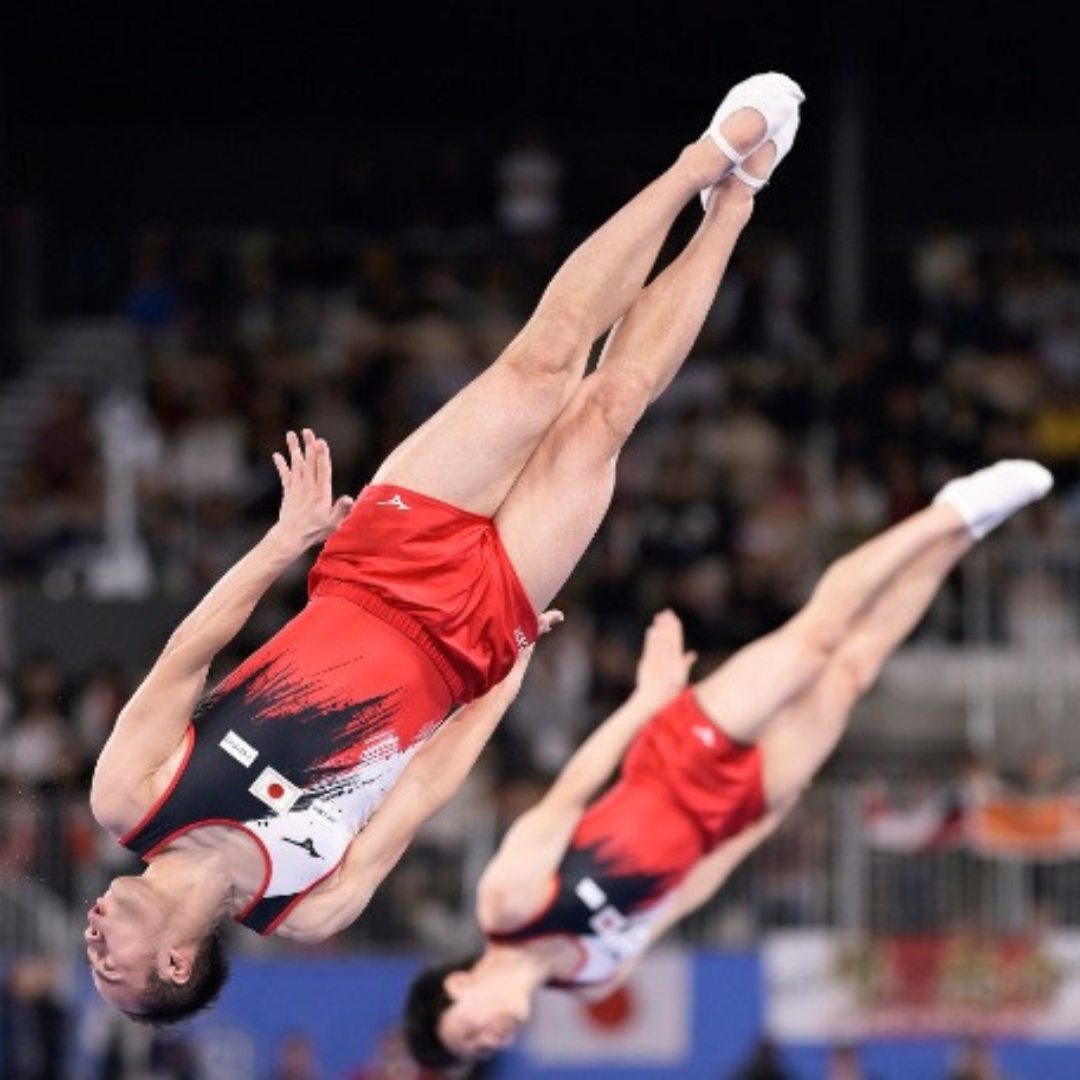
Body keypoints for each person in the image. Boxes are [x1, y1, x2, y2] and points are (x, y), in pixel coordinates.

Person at [85, 71, 806, 1024]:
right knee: (606, 414)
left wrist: (285, 544)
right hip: (469, 642)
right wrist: (504, 675)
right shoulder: (310, 906)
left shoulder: (129, 797)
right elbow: (422, 787)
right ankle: (738, 201)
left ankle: (701, 160)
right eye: (112, 969)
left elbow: (189, 651)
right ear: (178, 965)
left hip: (372, 569)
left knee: (544, 366)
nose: (91, 940)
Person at [402, 460, 1053, 1067]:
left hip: (677, 758)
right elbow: (684, 894)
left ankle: (949, 512)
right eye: (481, 1050)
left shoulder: (507, 903)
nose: (492, 1038)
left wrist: (648, 702)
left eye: (469, 1030)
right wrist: (759, 827)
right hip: (733, 814)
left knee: (819, 638)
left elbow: (571, 790)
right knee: (852, 671)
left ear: (456, 985)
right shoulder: (596, 975)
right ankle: (961, 531)